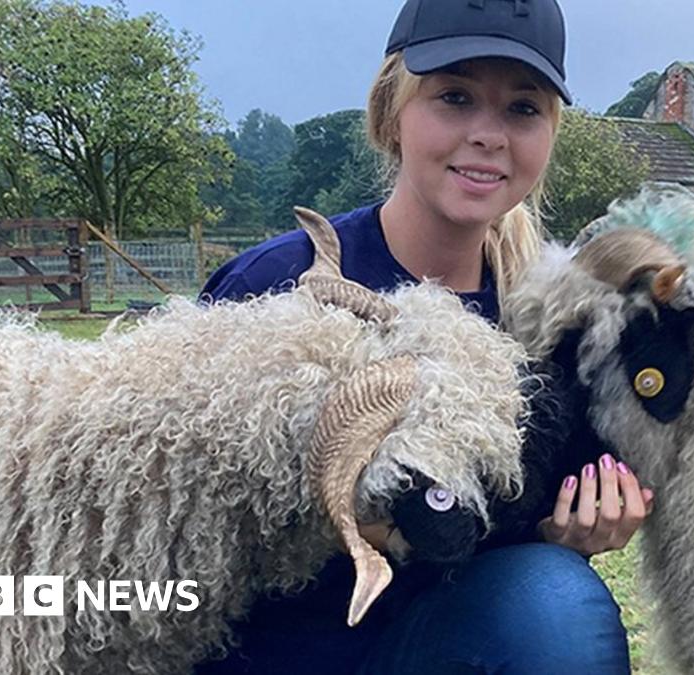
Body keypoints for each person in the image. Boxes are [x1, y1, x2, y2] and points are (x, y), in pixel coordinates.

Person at [196, 1, 653, 672]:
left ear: (550, 134)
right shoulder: (275, 285)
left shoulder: (544, 323)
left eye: (522, 108)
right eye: (455, 96)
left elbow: (497, 549)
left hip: (433, 645)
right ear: (391, 113)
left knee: (555, 601)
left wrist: (564, 536)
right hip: (274, 651)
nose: (488, 135)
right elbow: (183, 521)